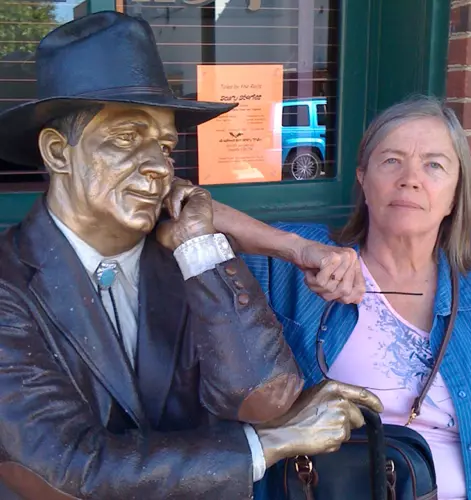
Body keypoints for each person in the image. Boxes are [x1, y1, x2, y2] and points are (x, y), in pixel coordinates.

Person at [0, 11, 383, 500]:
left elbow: (263, 398)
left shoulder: (186, 257)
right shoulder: (10, 281)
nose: (159, 166)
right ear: (58, 153)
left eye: (164, 144)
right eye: (125, 138)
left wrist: (203, 247)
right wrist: (267, 446)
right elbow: (65, 468)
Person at [214, 96, 471, 500]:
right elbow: (186, 212)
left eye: (434, 165)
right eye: (391, 161)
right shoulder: (304, 264)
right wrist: (295, 249)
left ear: (455, 193)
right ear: (363, 178)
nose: (410, 179)